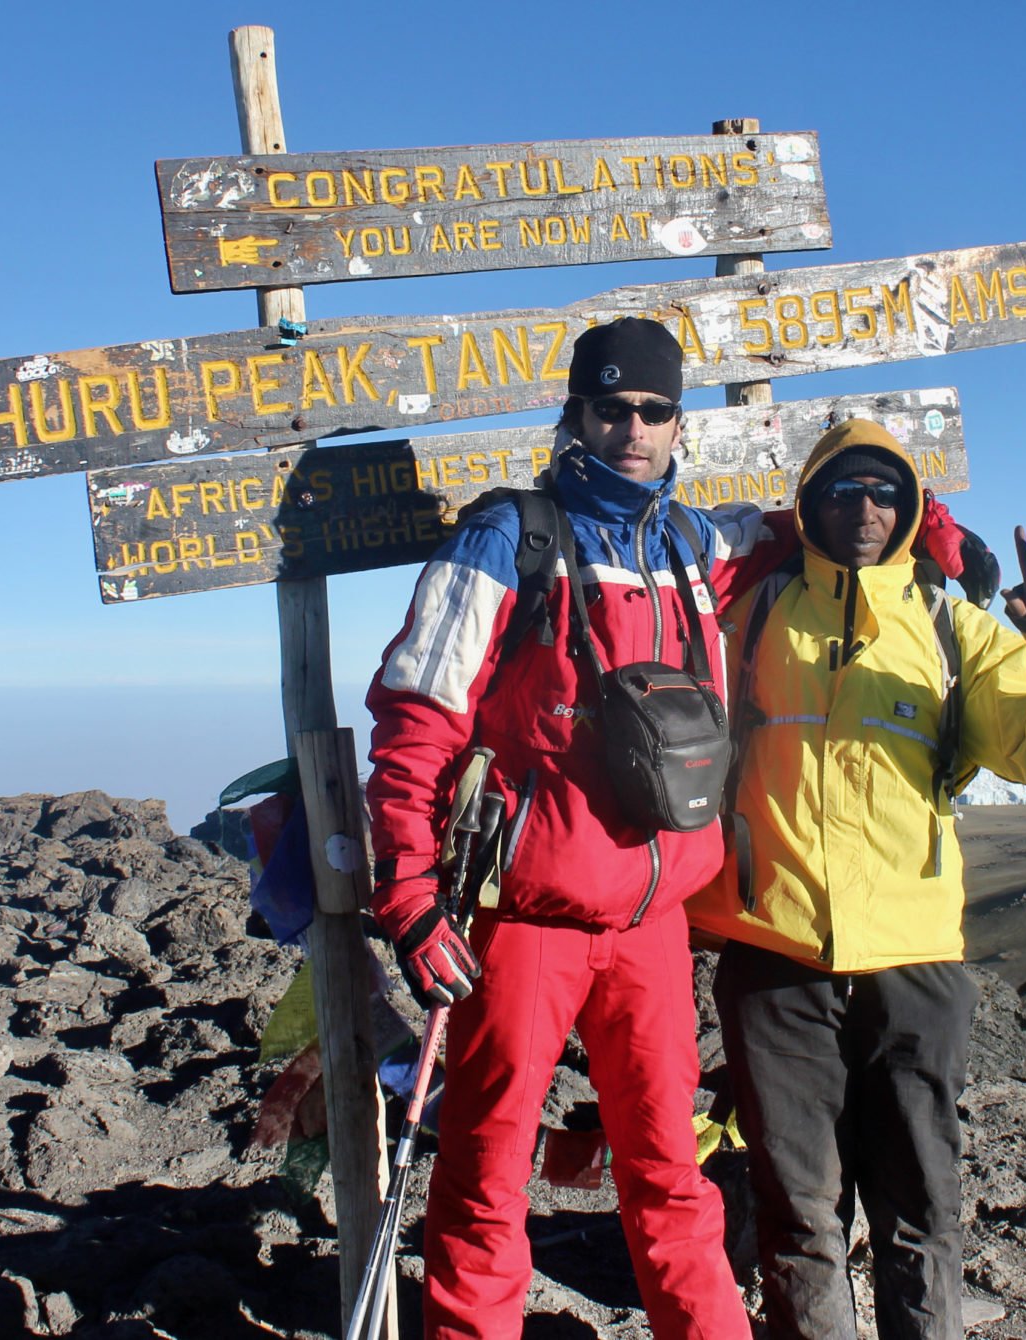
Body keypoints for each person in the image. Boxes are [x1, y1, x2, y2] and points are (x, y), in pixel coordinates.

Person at [363, 317, 777, 1340]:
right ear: (576, 414)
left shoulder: (692, 546)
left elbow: (822, 521)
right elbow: (418, 719)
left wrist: (924, 523)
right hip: (524, 923)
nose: (632, 429)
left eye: (653, 410)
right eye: (610, 408)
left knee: (671, 1172)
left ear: (678, 422)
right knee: (485, 1174)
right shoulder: (508, 538)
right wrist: (410, 894)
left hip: (653, 924)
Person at [688, 418, 1026, 1340]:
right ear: (810, 505)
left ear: (912, 509)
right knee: (798, 1210)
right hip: (777, 954)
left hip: (914, 961)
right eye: (844, 491)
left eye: (886, 492)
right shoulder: (752, 618)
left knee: (921, 1202)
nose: (866, 509)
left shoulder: (949, 628)